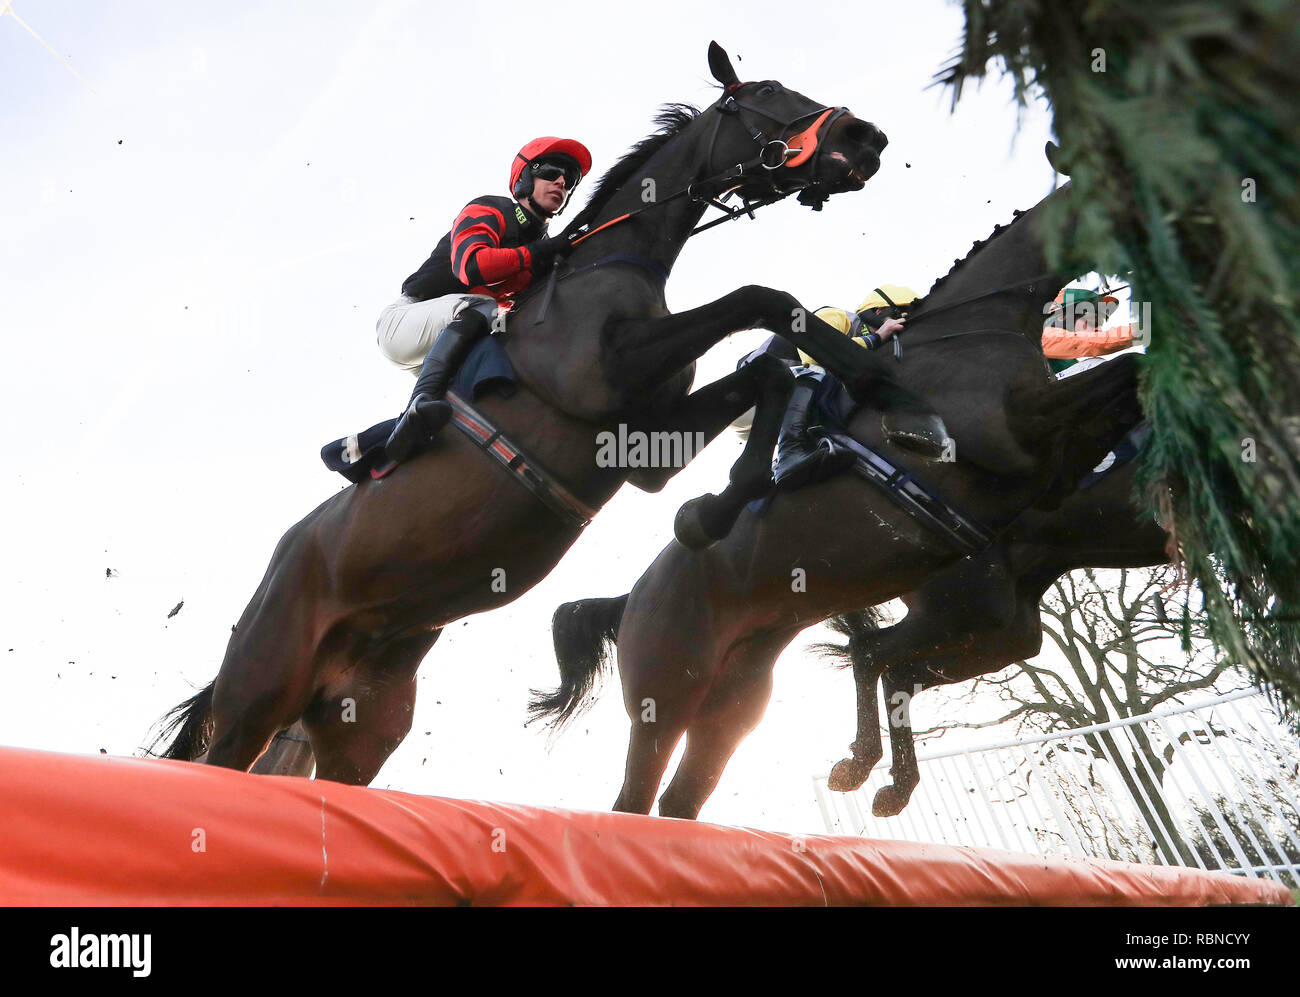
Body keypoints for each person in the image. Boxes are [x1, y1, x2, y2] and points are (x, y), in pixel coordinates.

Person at [379, 137, 593, 463]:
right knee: (485, 307)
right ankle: (420, 400)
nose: (562, 181)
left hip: (450, 342)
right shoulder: (491, 208)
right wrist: (542, 251)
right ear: (524, 179)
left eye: (570, 179)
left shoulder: (544, 246)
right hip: (404, 322)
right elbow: (471, 267)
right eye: (552, 171)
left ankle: (376, 443)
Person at [769, 284, 919, 486]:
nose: (899, 324)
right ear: (878, 310)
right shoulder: (836, 316)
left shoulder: (861, 336)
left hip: (784, 395)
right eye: (898, 315)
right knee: (819, 367)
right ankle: (789, 452)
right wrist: (877, 337)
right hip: (756, 387)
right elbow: (813, 356)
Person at [1042, 286, 1134, 375]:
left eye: (1100, 324)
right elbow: (1094, 342)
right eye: (1093, 321)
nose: (1099, 329)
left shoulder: (1068, 363)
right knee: (1096, 366)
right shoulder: (1046, 336)